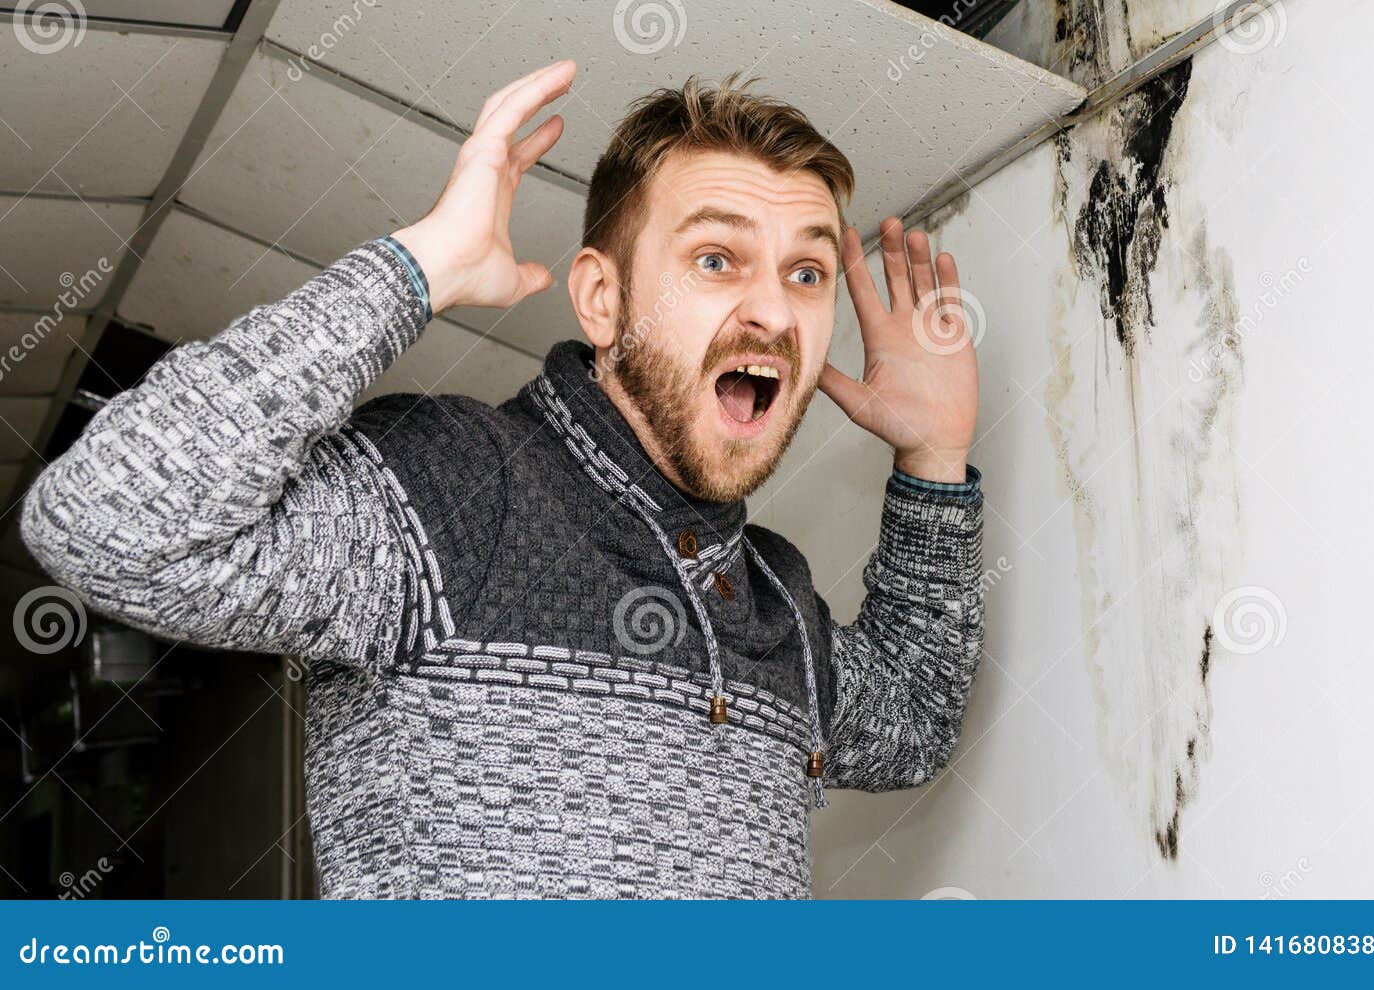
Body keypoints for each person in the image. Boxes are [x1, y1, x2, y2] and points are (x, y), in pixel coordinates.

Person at [22, 59, 984, 899]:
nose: (772, 311)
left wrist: (934, 459)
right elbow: (106, 525)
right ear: (603, 300)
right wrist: (417, 270)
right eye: (717, 258)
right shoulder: (449, 493)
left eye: (806, 275)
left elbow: (912, 721)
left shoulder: (777, 593)